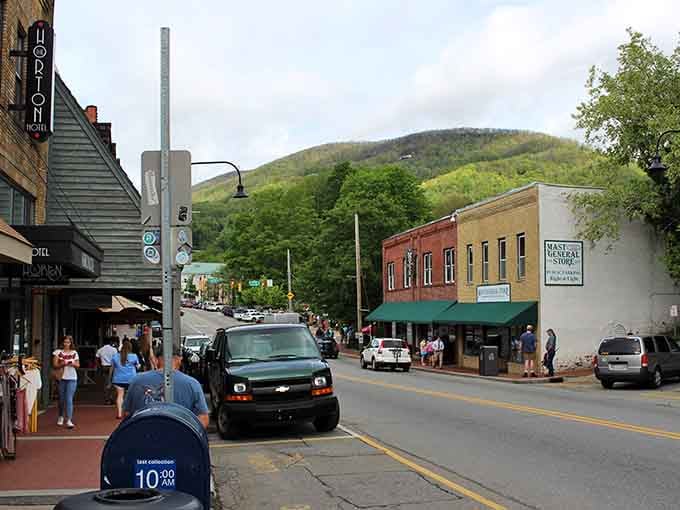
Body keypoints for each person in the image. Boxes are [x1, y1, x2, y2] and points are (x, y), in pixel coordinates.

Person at [123, 344, 209, 429]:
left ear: (156, 360)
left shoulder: (137, 380)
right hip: (179, 438)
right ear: (179, 359)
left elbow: (127, 414)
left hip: (145, 437)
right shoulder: (192, 384)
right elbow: (203, 418)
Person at [52, 335, 79, 429]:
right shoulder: (57, 352)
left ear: (71, 343)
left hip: (72, 377)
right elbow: (54, 365)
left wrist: (73, 363)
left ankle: (69, 420)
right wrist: (62, 364)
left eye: (68, 342)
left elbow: (78, 365)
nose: (66, 344)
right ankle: (60, 416)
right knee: (61, 399)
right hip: (61, 377)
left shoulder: (74, 352)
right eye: (65, 342)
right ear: (62, 342)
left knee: (69, 398)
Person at [111, 340, 140, 419]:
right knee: (130, 396)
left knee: (120, 396)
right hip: (131, 379)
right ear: (130, 348)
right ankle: (128, 412)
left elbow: (112, 368)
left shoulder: (115, 356)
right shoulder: (134, 356)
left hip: (118, 379)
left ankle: (119, 413)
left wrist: (109, 379)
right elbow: (138, 367)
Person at [96, 338, 118, 404]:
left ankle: (107, 399)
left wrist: (99, 367)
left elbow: (96, 359)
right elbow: (116, 359)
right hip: (112, 367)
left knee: (106, 383)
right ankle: (112, 397)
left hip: (104, 367)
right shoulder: (114, 349)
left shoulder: (100, 350)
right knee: (114, 383)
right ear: (110, 342)